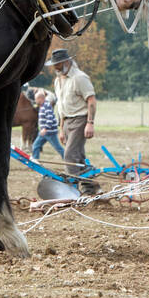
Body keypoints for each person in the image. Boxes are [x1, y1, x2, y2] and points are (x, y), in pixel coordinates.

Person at [49, 48, 98, 195]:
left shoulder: (80, 78)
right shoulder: (58, 80)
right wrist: (61, 129)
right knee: (78, 157)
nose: (55, 67)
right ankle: (91, 188)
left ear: (66, 62)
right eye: (54, 64)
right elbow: (61, 106)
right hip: (66, 122)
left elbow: (91, 100)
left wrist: (90, 123)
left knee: (70, 155)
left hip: (80, 120)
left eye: (58, 64)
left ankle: (71, 191)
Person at [30, 88, 64, 160]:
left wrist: (45, 129)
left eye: (36, 99)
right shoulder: (42, 106)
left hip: (49, 132)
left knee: (58, 148)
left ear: (40, 98)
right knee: (35, 146)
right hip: (44, 133)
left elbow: (50, 119)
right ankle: (35, 161)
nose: (35, 101)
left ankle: (68, 159)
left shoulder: (47, 106)